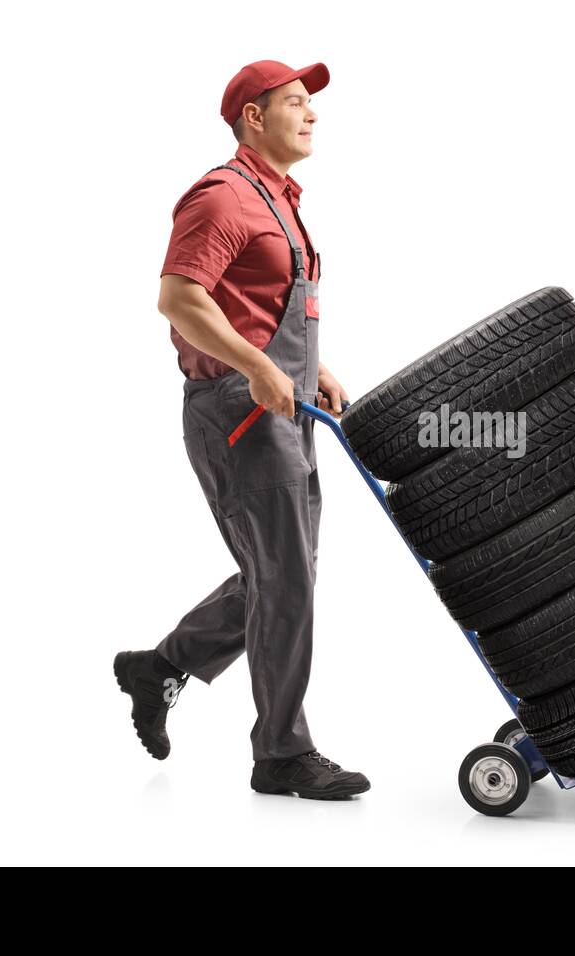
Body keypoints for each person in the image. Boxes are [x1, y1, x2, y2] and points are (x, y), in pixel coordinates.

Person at [113, 59, 370, 800]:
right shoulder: (223, 196)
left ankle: (160, 666)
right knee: (286, 576)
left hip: (281, 403)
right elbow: (180, 299)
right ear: (252, 117)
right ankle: (282, 753)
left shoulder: (281, 202)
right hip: (239, 412)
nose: (312, 114)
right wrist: (260, 367)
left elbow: (262, 304)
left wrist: (311, 365)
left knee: (286, 574)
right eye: (295, 102)